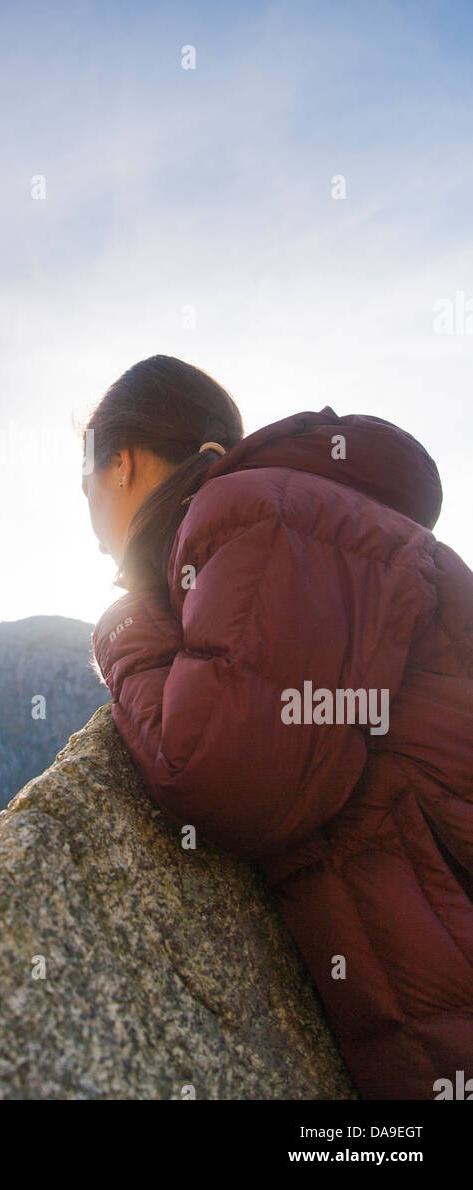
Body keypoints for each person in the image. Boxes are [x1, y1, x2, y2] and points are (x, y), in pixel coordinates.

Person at [81, 354, 473, 1101]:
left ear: (121, 464)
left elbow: (222, 773)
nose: (88, 510)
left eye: (85, 480)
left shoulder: (260, 516)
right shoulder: (299, 514)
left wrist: (124, 631)